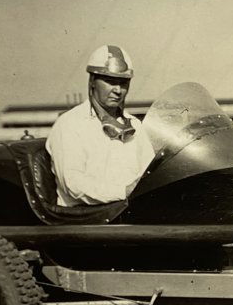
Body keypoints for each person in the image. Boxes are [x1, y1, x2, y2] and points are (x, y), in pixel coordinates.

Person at [46, 44, 155, 207]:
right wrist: (123, 191)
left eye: (124, 83)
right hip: (85, 216)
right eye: (110, 81)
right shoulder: (70, 124)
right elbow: (73, 184)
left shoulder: (134, 125)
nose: (118, 90)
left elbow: (150, 173)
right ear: (92, 81)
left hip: (127, 209)